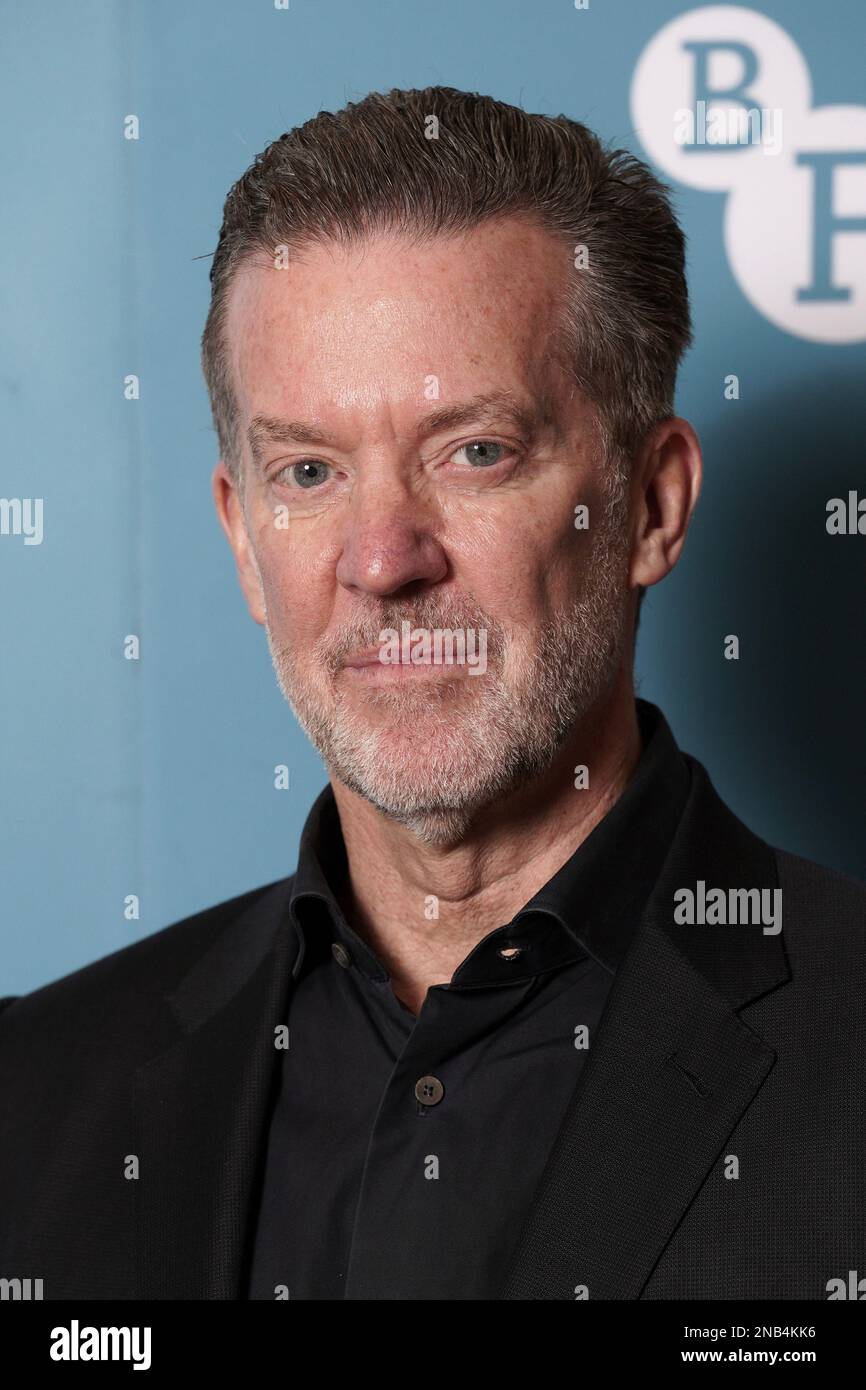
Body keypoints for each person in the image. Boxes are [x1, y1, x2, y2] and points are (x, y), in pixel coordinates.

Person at [1, 87, 864, 1301]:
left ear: (649, 506)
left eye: (474, 452)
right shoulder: (36, 1090)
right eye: (308, 470)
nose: (381, 558)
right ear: (245, 541)